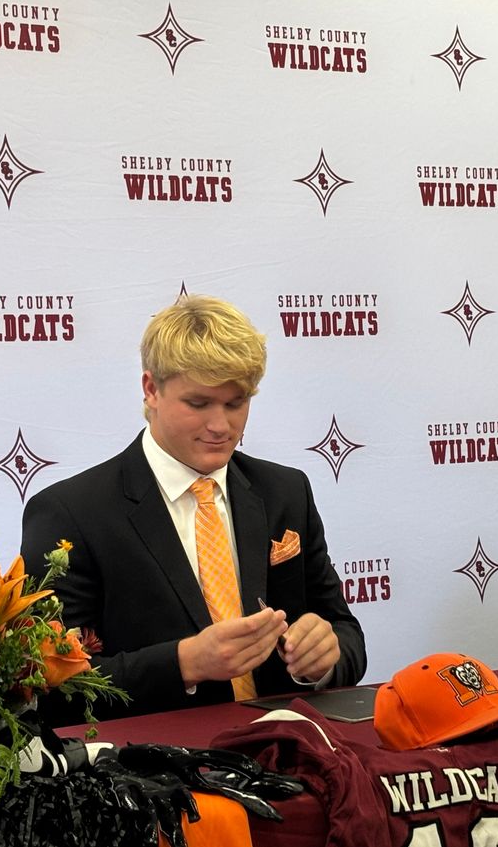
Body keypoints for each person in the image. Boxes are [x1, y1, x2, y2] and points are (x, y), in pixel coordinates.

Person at [22, 295, 366, 720]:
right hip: (150, 773)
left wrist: (325, 658)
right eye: (199, 404)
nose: (221, 426)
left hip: (289, 755)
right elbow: (51, 690)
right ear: (151, 389)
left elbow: (346, 634)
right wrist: (183, 664)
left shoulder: (286, 491)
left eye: (236, 403)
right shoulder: (68, 512)